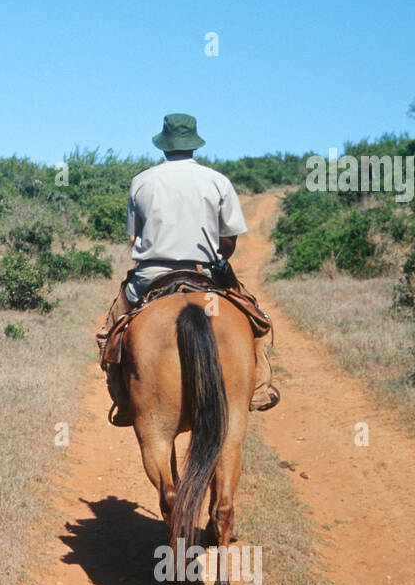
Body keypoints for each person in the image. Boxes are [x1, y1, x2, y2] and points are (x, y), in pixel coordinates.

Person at [97, 113, 280, 426]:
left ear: (164, 144)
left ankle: (125, 401)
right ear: (194, 144)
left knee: (110, 333)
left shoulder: (142, 181)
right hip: (205, 275)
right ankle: (259, 390)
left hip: (150, 277)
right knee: (257, 321)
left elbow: (134, 237)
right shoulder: (217, 180)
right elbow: (229, 238)